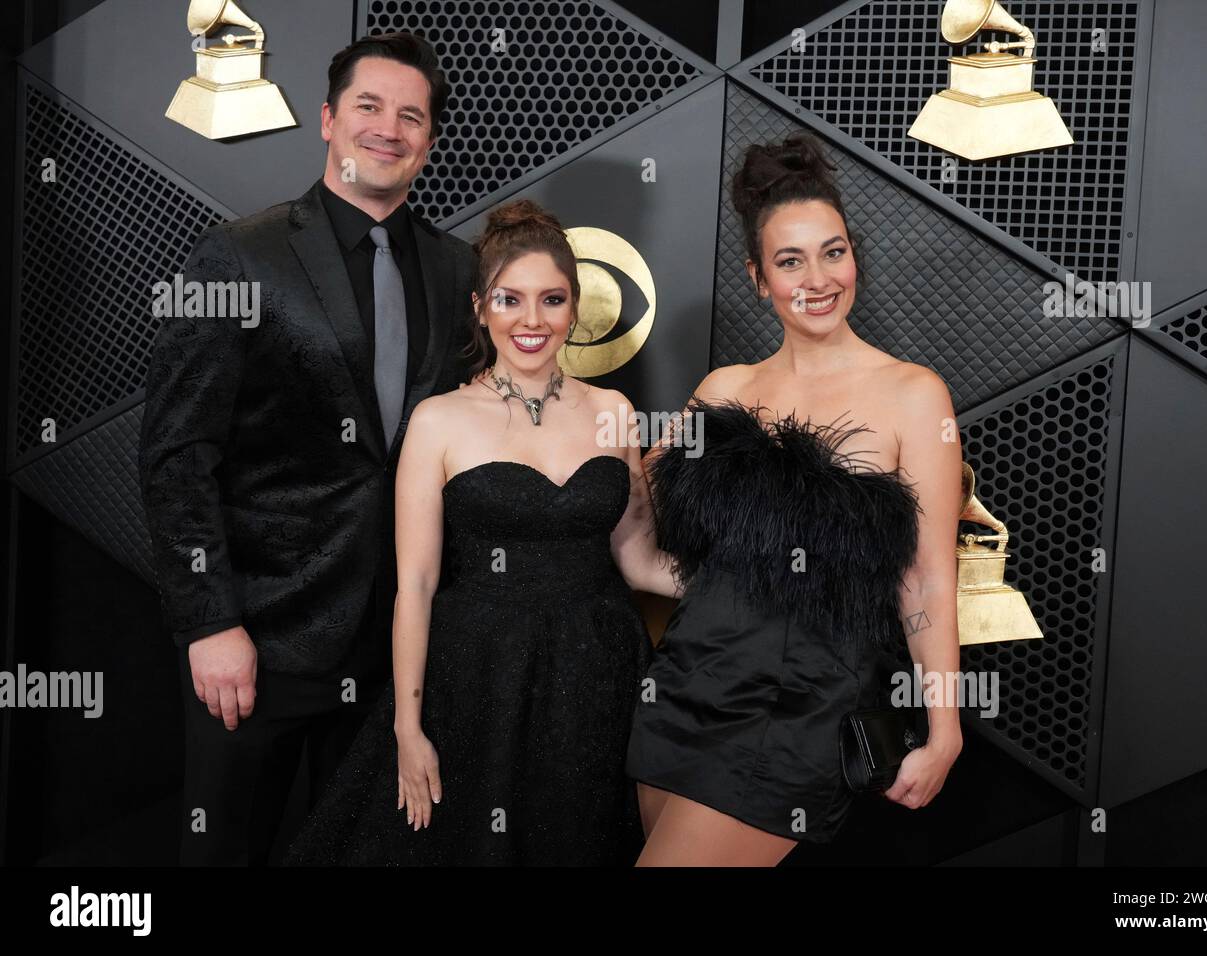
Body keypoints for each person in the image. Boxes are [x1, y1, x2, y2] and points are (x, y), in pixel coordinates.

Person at [138, 32, 477, 865]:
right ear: (327, 119)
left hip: (397, 650)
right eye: (369, 106)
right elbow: (178, 451)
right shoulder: (240, 253)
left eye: (411, 115)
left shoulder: (460, 269)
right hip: (261, 639)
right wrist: (209, 619)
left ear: (430, 140)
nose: (387, 129)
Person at [283, 198, 678, 866]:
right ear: (479, 306)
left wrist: (748, 582)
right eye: (510, 299)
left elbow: (639, 559)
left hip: (600, 672)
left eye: (551, 299)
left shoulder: (614, 411)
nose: (532, 320)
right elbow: (415, 584)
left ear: (575, 309)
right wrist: (409, 729)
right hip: (477, 676)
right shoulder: (438, 421)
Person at [625, 133, 965, 866]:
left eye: (833, 251)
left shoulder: (914, 394)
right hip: (683, 690)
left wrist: (946, 728)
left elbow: (928, 578)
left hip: (802, 706)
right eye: (790, 260)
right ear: (757, 277)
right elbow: (642, 538)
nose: (818, 277)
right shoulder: (724, 391)